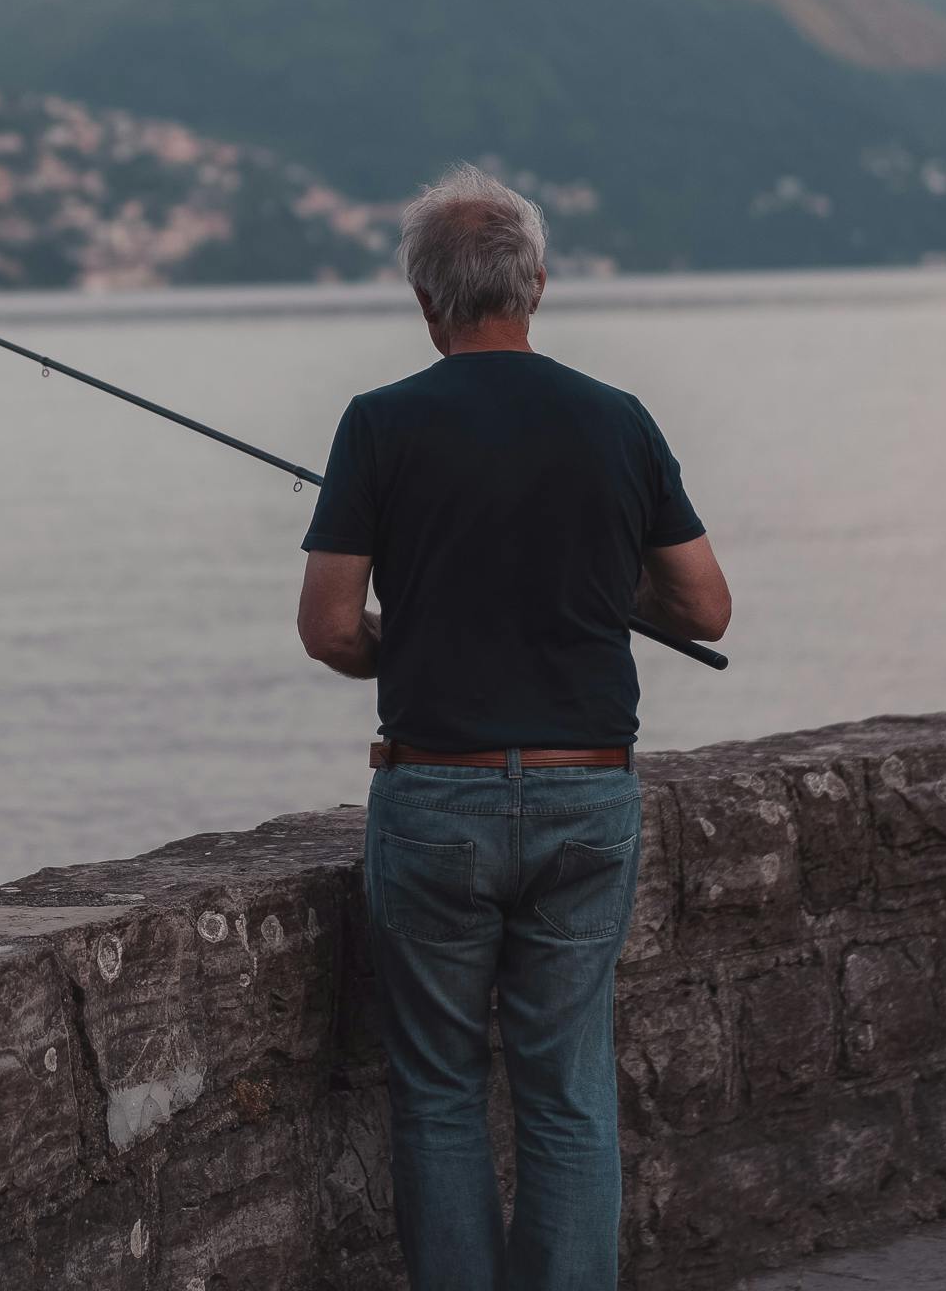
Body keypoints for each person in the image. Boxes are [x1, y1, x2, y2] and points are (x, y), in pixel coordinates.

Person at [295, 166, 731, 1291]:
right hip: (589, 792)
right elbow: (705, 607)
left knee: (440, 1092)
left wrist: (431, 634)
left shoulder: (379, 424)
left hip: (436, 794)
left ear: (422, 296)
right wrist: (582, 596)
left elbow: (331, 626)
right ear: (536, 282)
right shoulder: (618, 419)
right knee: (567, 1091)